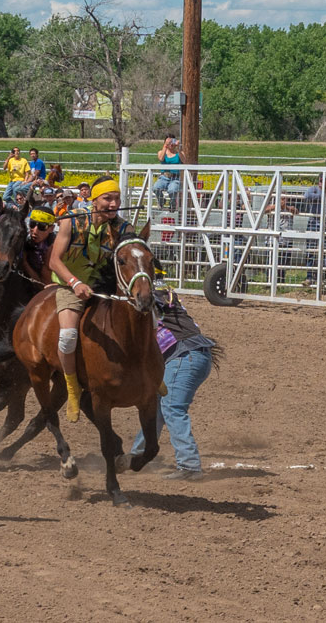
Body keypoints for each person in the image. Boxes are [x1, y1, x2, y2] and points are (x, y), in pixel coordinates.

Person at [49, 175, 130, 422]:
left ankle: (153, 374)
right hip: (71, 287)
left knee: (148, 317)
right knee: (67, 337)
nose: (113, 204)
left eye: (117, 198)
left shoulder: (124, 228)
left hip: (106, 287)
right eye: (107, 198)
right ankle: (73, 388)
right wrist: (75, 283)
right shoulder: (71, 221)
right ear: (94, 200)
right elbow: (54, 261)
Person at [127, 281, 216, 480]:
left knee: (172, 408)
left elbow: (149, 301)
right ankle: (138, 455)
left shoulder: (151, 295)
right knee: (158, 407)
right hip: (192, 355)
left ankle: (189, 465)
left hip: (184, 356)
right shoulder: (162, 293)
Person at [21, 207, 57, 285]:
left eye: (42, 227)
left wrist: (25, 263)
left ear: (51, 229)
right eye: (32, 224)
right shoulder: (25, 239)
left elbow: (43, 284)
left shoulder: (53, 247)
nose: (35, 231)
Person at [153, 134, 183, 210]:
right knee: (156, 187)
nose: (171, 144)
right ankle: (161, 200)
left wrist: (178, 148)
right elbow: (161, 158)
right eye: (169, 142)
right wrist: (165, 146)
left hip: (175, 178)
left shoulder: (178, 154)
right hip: (164, 177)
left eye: (172, 141)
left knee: (172, 190)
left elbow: (184, 160)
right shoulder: (161, 152)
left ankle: (173, 204)